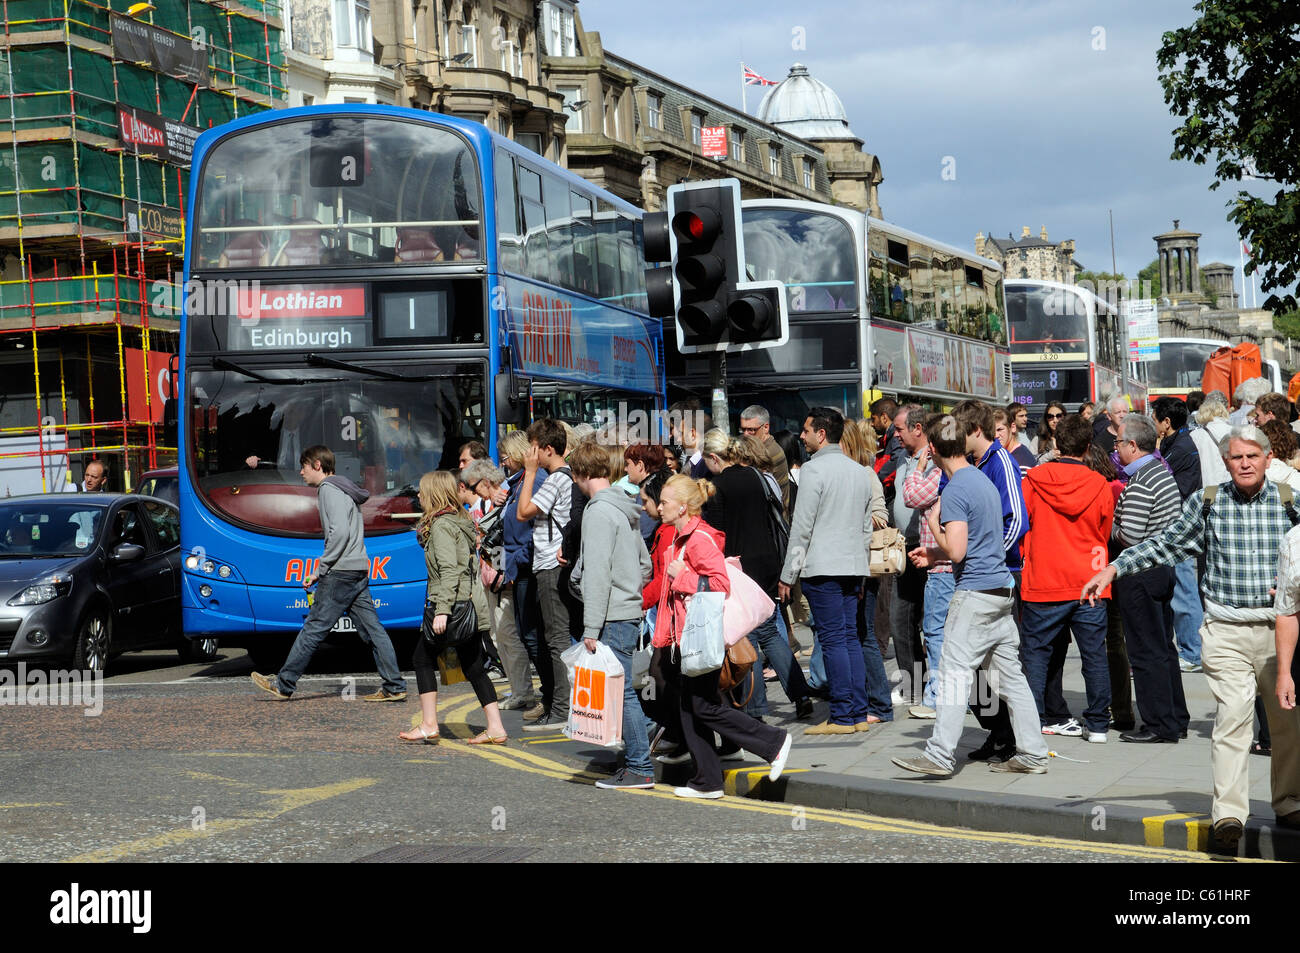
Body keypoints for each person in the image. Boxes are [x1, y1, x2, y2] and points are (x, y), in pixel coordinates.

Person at [1082, 425, 1300, 853]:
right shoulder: (1208, 503)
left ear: (1268, 458)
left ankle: (1289, 800)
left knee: (1287, 724)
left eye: (1252, 456)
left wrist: (1292, 585)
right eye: (1237, 457)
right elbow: (1165, 543)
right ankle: (1229, 814)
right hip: (1225, 630)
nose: (1245, 464)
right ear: (1226, 462)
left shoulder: (1290, 504)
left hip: (1279, 633)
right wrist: (1116, 567)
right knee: (1233, 718)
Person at [892, 414, 1050, 778]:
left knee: (952, 674)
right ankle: (1033, 753)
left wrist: (933, 526)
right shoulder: (982, 478)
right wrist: (935, 554)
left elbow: (960, 551)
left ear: (932, 449)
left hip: (975, 593)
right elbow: (981, 541)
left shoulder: (956, 488)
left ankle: (940, 755)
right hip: (1001, 590)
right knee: (1011, 678)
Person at [653, 474, 793, 798]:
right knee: (691, 705)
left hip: (703, 635)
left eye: (664, 502)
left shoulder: (699, 539)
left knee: (703, 707)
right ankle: (708, 781)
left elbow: (719, 584)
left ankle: (773, 741)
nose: (659, 507)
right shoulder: (681, 536)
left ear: (683, 506)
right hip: (687, 635)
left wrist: (684, 576)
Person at [251, 445, 407, 702]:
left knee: (313, 628)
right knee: (374, 630)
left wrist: (322, 568)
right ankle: (394, 685)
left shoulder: (328, 490)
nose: (301, 472)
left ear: (317, 466)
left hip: (340, 572)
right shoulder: (346, 488)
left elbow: (339, 534)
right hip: (357, 569)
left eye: (304, 466)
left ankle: (284, 683)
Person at [779, 407, 887, 734]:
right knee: (850, 638)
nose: (802, 435)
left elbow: (802, 527)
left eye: (807, 430)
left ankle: (842, 715)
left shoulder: (813, 470)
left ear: (821, 434)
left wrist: (788, 574)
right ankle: (855, 713)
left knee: (834, 639)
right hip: (853, 567)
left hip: (823, 568)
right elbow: (866, 528)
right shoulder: (858, 471)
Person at [699, 429, 815, 721]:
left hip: (739, 567)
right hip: (767, 562)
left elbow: (716, 536)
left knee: (744, 636)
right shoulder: (756, 476)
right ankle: (801, 695)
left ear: (715, 457)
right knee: (769, 632)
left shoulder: (717, 486)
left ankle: (755, 710)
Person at [1018, 414, 1114, 743]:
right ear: (1088, 447)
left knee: (1035, 654)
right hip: (1089, 578)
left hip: (1044, 577)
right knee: (1093, 655)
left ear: (1057, 444)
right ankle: (1099, 723)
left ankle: (1033, 721)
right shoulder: (1099, 484)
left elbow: (1021, 524)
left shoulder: (1034, 479)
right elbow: (1104, 530)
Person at [568, 442, 656, 790]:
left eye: (575, 475)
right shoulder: (624, 507)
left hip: (611, 616)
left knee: (621, 694)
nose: (575, 482)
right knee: (621, 690)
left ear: (583, 474)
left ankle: (639, 767)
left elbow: (598, 574)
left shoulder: (598, 512)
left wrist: (591, 626)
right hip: (626, 611)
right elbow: (645, 565)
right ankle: (644, 744)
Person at [394, 471, 505, 744]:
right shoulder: (458, 520)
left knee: (422, 659)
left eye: (422, 491)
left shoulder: (442, 526)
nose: (418, 496)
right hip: (467, 604)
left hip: (451, 605)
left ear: (433, 494)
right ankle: (496, 727)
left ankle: (429, 723)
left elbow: (449, 571)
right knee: (473, 665)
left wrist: (441, 610)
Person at [952, 399, 1030, 761]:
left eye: (959, 431)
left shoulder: (1001, 462)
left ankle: (1011, 735)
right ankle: (1000, 732)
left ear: (975, 431)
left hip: (1000, 575)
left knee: (994, 667)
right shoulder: (974, 465)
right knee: (982, 668)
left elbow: (1017, 520)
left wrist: (989, 556)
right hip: (980, 576)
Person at [1110, 414, 1189, 744]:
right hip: (1160, 568)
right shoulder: (1158, 471)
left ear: (1131, 445)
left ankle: (1158, 723)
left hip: (1141, 572)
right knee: (1162, 647)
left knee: (1145, 651)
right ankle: (1174, 718)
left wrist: (1111, 526)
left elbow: (1130, 534)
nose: (1115, 449)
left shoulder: (1142, 479)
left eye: (1117, 443)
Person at [514, 418, 575, 732]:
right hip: (548, 565)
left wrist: (530, 473)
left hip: (551, 566)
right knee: (552, 638)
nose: (529, 454)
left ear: (548, 449)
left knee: (556, 640)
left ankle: (561, 710)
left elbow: (523, 511)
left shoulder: (555, 479)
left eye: (533, 448)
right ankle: (556, 704)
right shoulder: (563, 478)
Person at [463, 456, 532, 706]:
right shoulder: (490, 502)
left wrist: (505, 575)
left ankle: (524, 692)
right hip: (490, 577)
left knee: (508, 635)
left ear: (486, 481)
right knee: (498, 636)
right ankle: (517, 689)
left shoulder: (505, 499)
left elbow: (509, 539)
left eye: (473, 487)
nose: (471, 492)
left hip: (503, 579)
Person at [1152, 397, 1206, 676]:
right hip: (1179, 527)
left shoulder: (1181, 448)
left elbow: (1170, 487)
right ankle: (1190, 649)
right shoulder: (1177, 444)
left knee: (1185, 593)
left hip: (1181, 529)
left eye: (1154, 417)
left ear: (1167, 423)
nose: (1152, 422)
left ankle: (1192, 652)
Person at [495, 431, 544, 714]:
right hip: (518, 565)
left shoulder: (533, 480)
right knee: (527, 635)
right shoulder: (516, 483)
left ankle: (551, 698)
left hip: (527, 566)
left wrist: (518, 560)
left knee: (533, 636)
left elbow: (531, 528)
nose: (502, 459)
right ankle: (548, 696)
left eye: (505, 453)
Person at [888, 404, 931, 706]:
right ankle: (912, 683)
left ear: (918, 429)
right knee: (899, 618)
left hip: (931, 550)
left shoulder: (934, 460)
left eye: (900, 429)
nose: (895, 435)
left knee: (932, 624)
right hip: (904, 546)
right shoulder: (903, 457)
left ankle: (941, 687)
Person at [740, 404, 791, 504]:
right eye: (743, 429)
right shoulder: (759, 448)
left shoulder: (769, 452)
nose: (745, 434)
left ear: (766, 427)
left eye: (751, 430)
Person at [1192, 394, 1232, 488]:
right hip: (1231, 483)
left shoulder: (1196, 435)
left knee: (1208, 502)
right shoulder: (1234, 431)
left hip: (1209, 485)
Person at [995, 408, 1036, 476]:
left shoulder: (1021, 461)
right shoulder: (1004, 454)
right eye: (992, 431)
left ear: (1013, 427)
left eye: (1000, 429)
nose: (996, 435)